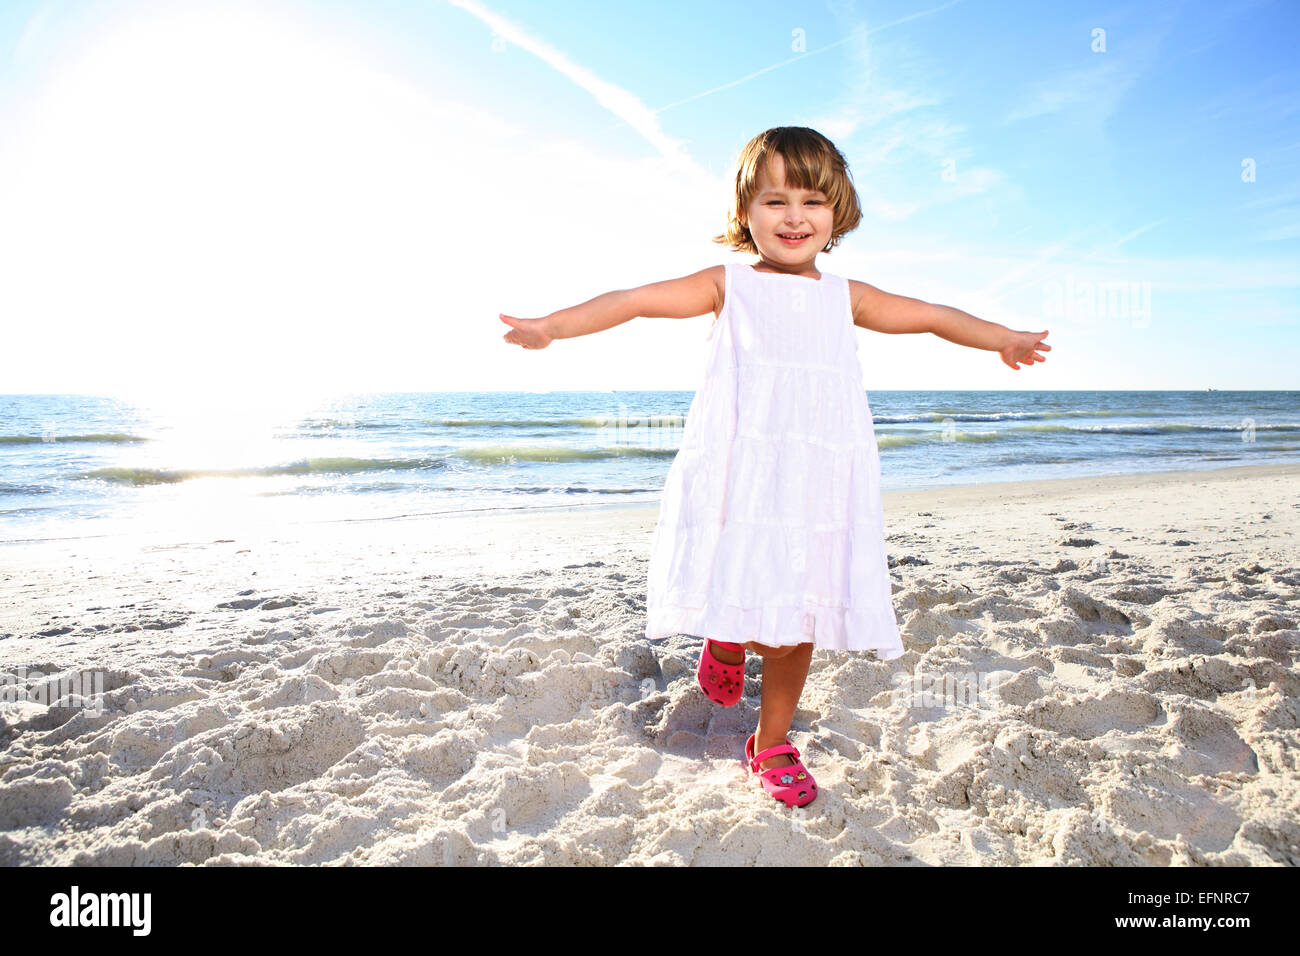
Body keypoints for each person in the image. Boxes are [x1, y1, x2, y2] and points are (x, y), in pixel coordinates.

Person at [499, 126, 1050, 810]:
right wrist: (553, 325)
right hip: (744, 470)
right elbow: (636, 299)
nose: (794, 216)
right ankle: (727, 641)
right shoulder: (727, 284)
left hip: (819, 475)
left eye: (812, 201)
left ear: (837, 212)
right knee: (746, 584)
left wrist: (1004, 340)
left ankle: (772, 739)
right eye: (774, 201)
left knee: (801, 613)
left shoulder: (847, 295)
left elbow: (932, 316)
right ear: (745, 213)